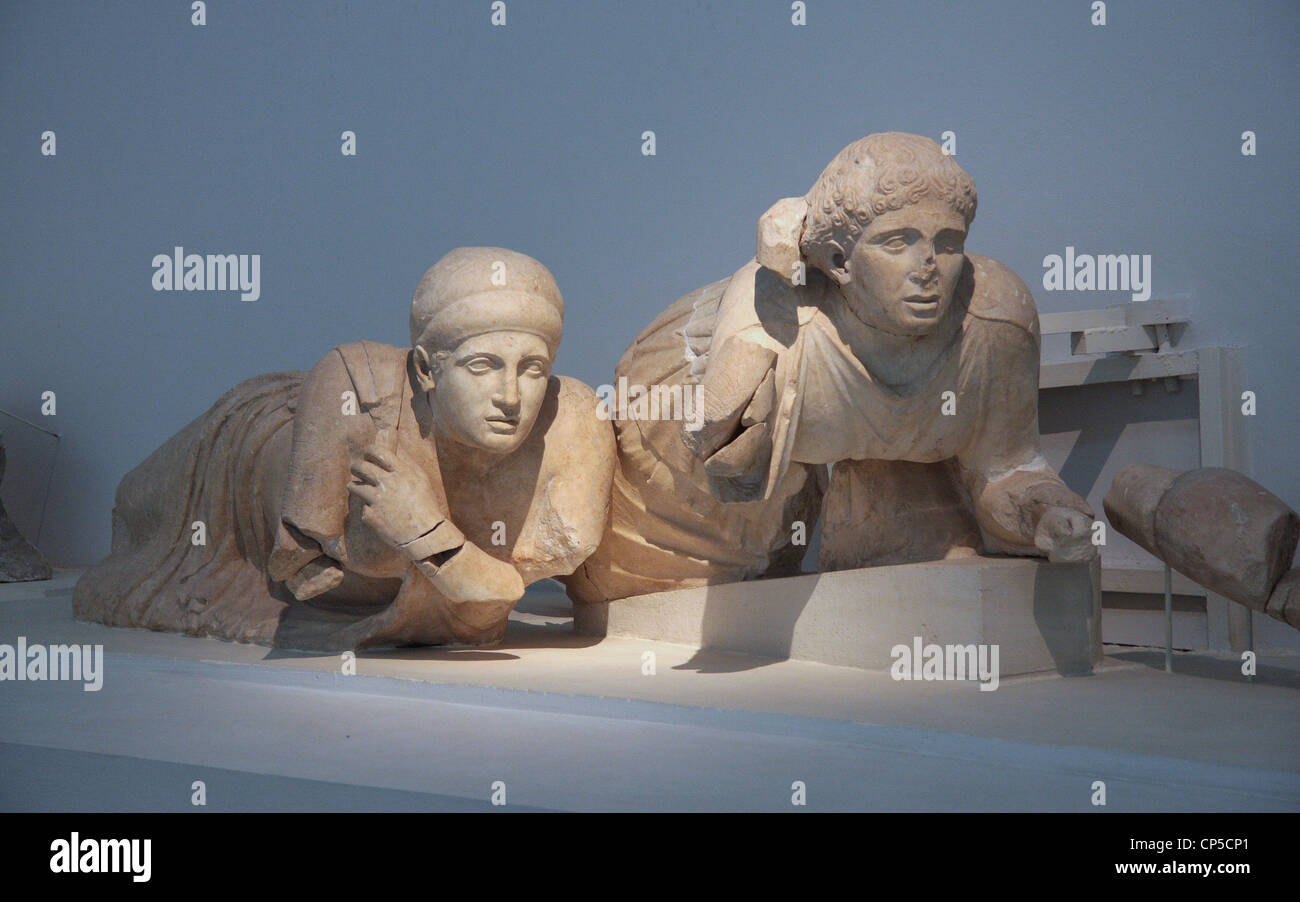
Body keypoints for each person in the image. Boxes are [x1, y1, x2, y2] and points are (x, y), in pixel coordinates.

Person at [563, 133, 1096, 604]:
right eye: (897, 242)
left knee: (929, 565)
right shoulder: (782, 317)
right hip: (676, 445)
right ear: (840, 260)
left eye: (948, 243)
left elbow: (1006, 468)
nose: (928, 268)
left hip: (871, 500)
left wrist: (1045, 514)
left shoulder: (993, 320)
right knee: (687, 582)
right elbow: (723, 451)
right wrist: (769, 279)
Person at [74, 247, 615, 650]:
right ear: (427, 369)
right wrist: (448, 570)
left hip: (323, 459)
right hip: (247, 460)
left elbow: (492, 600)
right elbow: (309, 575)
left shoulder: (574, 424)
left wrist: (422, 527)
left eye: (533, 369)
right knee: (141, 499)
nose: (510, 397)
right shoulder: (350, 385)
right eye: (483, 366)